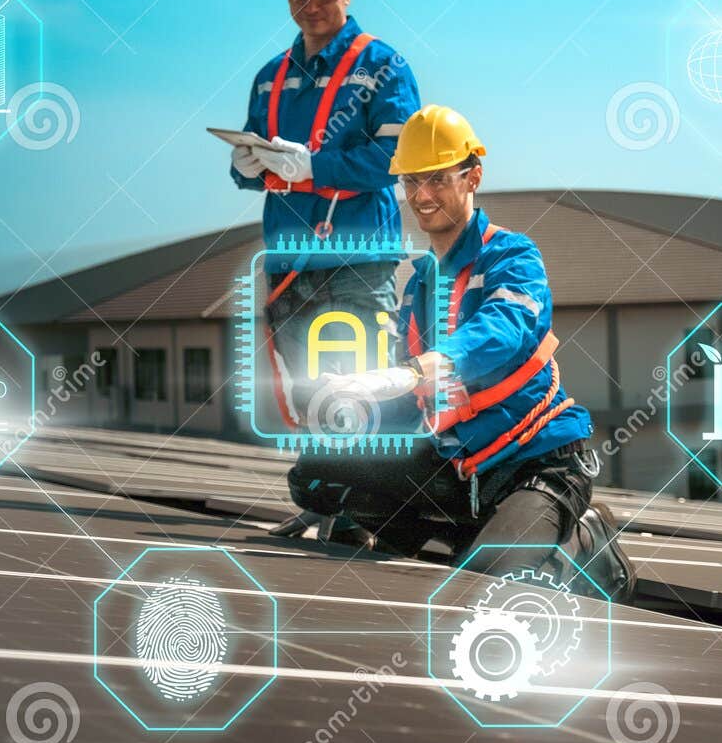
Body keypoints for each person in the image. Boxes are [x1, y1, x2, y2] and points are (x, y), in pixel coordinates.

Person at [269, 104, 636, 603]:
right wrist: (335, 492)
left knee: (480, 588)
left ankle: (581, 537)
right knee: (319, 469)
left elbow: (507, 329)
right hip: (457, 468)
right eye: (412, 181)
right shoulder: (417, 284)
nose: (422, 196)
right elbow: (404, 409)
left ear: (472, 178)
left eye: (438, 179)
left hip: (531, 464)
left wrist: (416, 369)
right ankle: (465, 531)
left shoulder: (511, 256)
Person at [231, 0, 421, 438]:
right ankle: (329, 503)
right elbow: (253, 161)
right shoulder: (270, 77)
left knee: (360, 392)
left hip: (359, 263)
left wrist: (315, 167)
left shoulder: (383, 67)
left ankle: (365, 512)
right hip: (292, 264)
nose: (309, 6)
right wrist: (244, 168)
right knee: (309, 396)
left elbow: (398, 158)